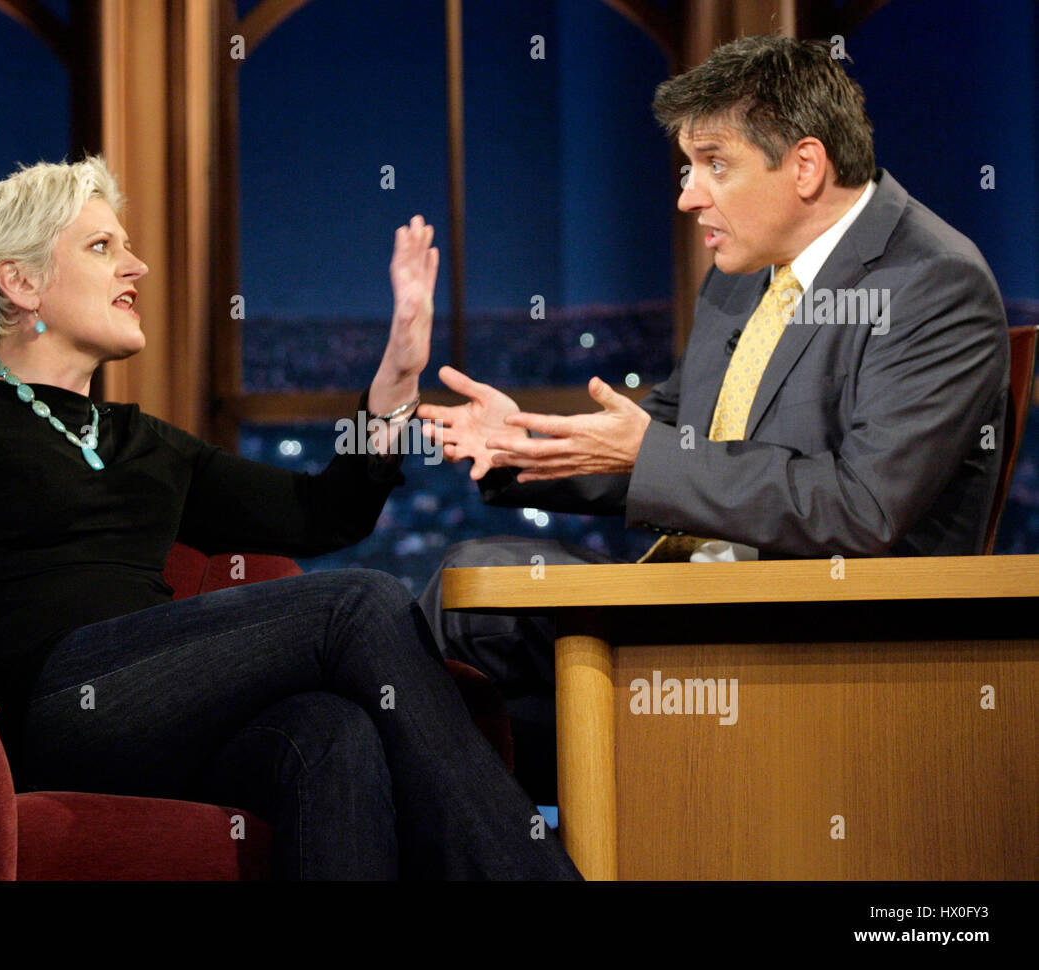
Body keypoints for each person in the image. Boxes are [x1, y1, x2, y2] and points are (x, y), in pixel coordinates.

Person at [0, 155, 581, 881]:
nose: (137, 268)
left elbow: (324, 513)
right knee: (358, 601)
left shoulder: (143, 441)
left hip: (158, 715)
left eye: (126, 248)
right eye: (102, 247)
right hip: (48, 707)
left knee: (331, 733)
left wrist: (397, 378)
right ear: (19, 282)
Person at [417, 35, 1010, 805]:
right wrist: (520, 443)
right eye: (688, 168)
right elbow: (668, 431)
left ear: (804, 165)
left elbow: (864, 509)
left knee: (464, 615)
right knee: (442, 683)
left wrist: (649, 453)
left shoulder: (933, 283)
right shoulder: (742, 279)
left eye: (713, 165)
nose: (688, 195)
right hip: (700, 614)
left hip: (829, 653)